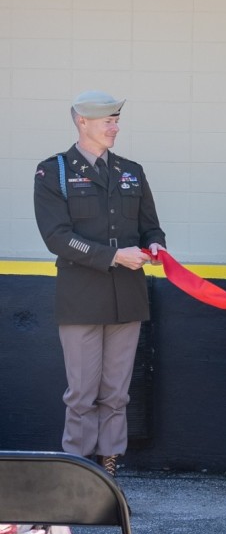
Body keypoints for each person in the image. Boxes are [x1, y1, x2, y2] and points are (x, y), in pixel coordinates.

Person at [33, 90, 166, 477]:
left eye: (116, 120)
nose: (115, 127)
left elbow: (150, 225)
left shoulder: (131, 171)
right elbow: (57, 236)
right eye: (107, 120)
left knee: (117, 393)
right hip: (81, 297)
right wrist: (112, 256)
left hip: (127, 296)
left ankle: (108, 469)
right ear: (82, 122)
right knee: (81, 394)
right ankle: (78, 471)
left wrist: (155, 244)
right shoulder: (54, 170)